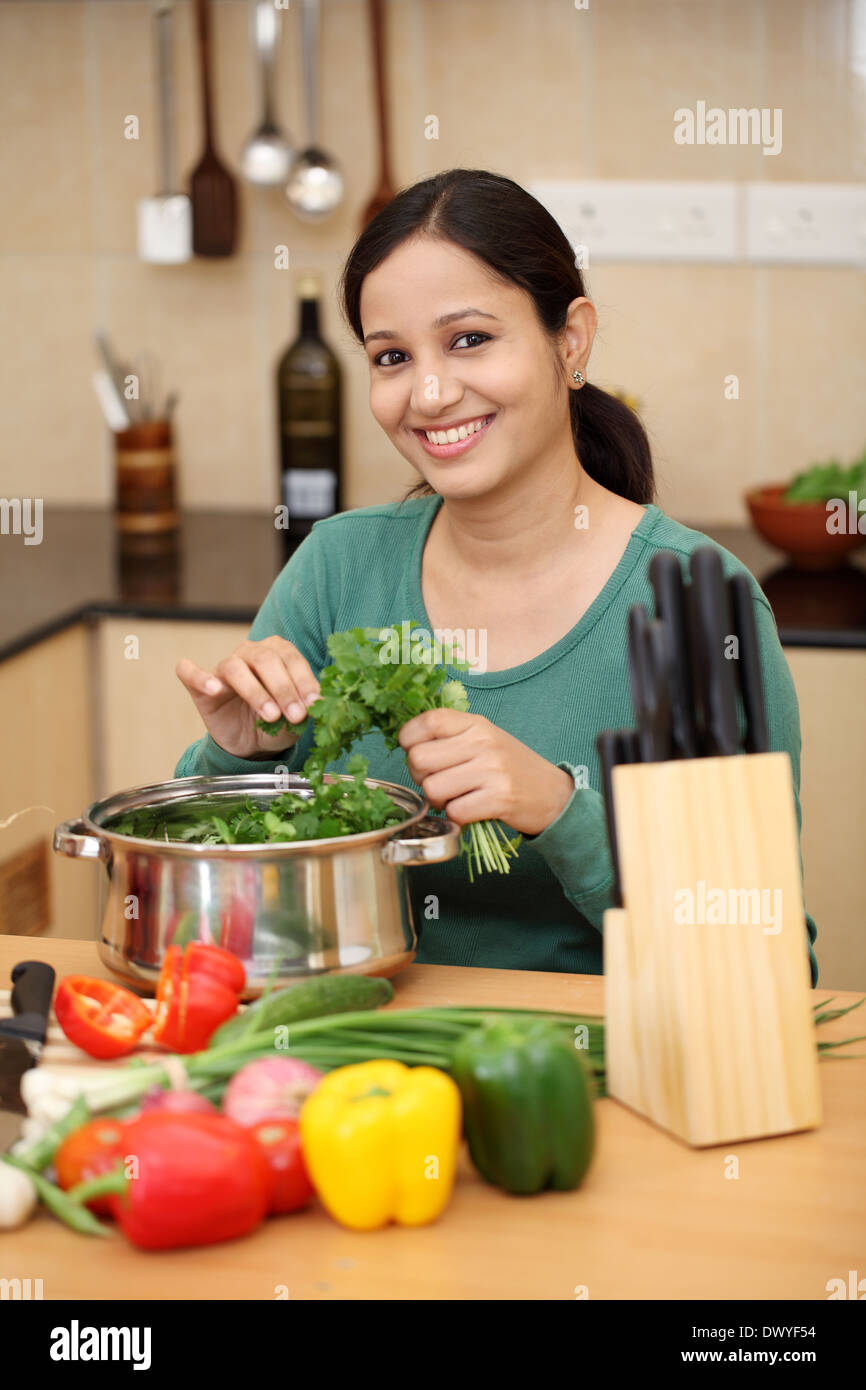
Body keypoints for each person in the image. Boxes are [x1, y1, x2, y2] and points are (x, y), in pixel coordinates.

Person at [175, 168, 818, 985]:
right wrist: (239, 761)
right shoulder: (338, 568)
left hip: (585, 1086)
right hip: (354, 1088)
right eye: (392, 357)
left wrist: (560, 811)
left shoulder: (691, 606)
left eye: (470, 339)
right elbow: (219, 914)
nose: (432, 393)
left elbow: (766, 964)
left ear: (571, 339)